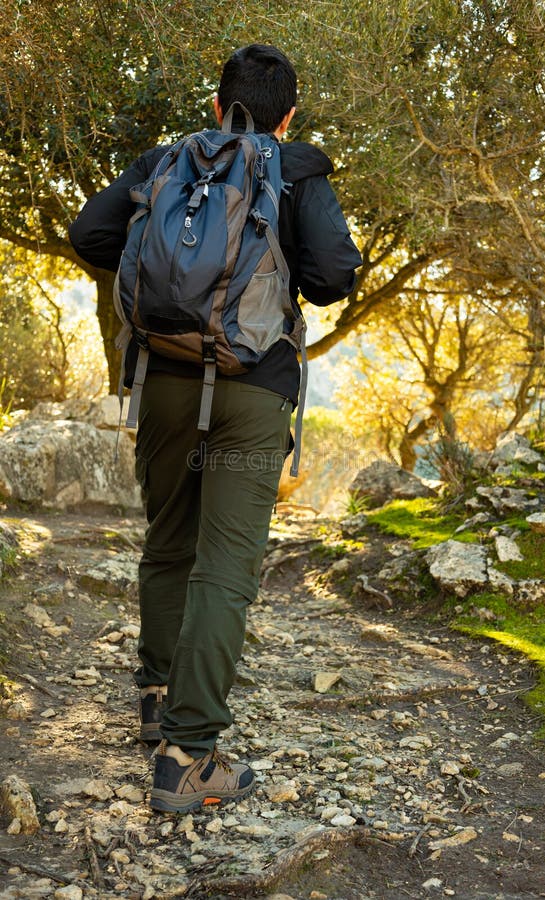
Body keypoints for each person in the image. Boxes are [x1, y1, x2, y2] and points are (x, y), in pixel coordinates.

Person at [69, 43, 362, 814]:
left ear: (215, 103)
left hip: (162, 383)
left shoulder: (165, 160)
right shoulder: (296, 168)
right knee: (225, 566)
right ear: (290, 114)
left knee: (168, 540)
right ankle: (189, 754)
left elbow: (88, 235)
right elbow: (334, 275)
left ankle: (155, 696)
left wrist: (166, 290)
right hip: (253, 389)